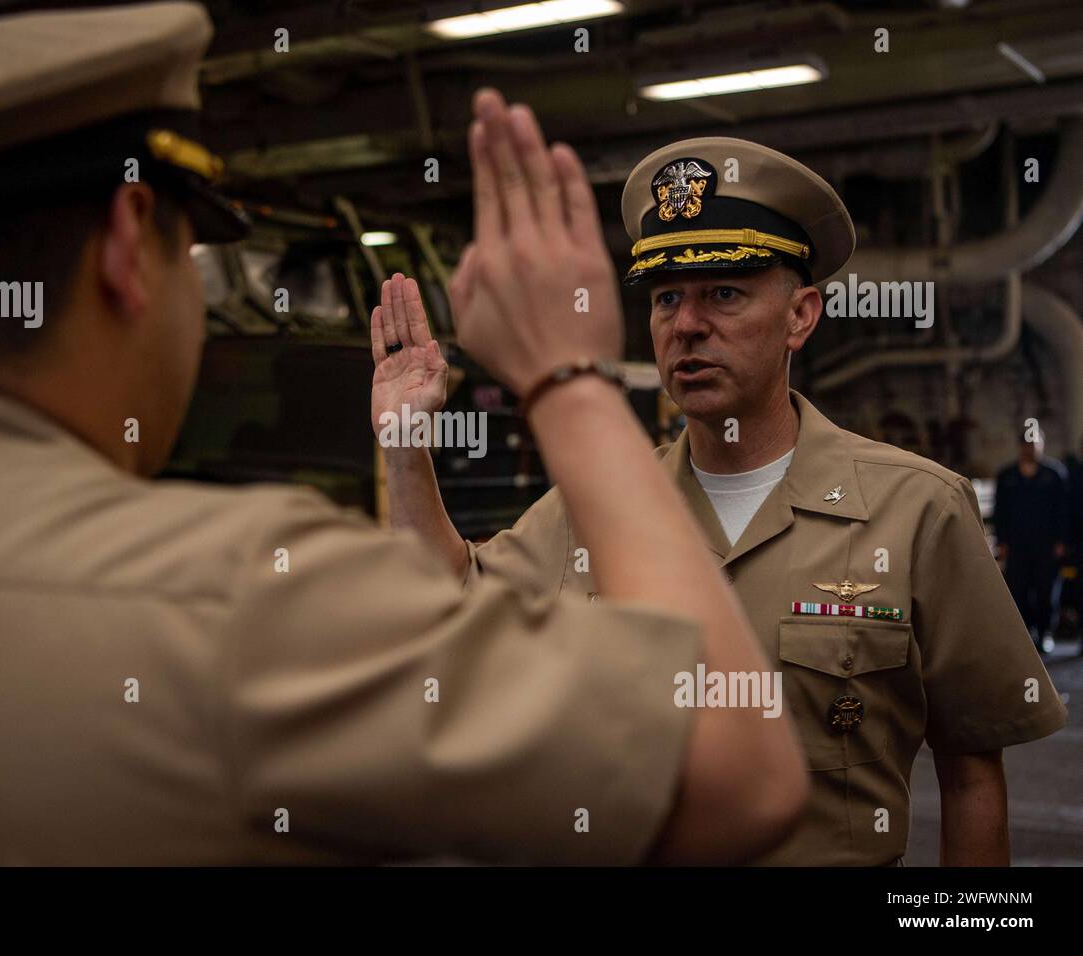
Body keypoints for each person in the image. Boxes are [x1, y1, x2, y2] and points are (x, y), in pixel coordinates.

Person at [0, 3, 806, 864]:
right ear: (131, 244)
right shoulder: (242, 595)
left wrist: (406, 445)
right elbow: (738, 771)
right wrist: (569, 378)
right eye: (191, 249)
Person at [375, 137, 1067, 866]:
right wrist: (403, 441)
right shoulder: (598, 503)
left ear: (801, 315)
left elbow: (971, 773)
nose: (687, 324)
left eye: (724, 292)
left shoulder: (918, 509)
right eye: (667, 297)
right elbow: (447, 601)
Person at [994, 433, 1070, 651]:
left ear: (1042, 445)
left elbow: (1063, 510)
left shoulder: (1054, 474)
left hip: (1046, 545)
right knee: (1019, 590)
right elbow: (1000, 512)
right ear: (1020, 446)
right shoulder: (1007, 475)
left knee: (1046, 591)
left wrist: (1062, 541)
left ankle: (1045, 632)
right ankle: (1026, 633)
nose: (1030, 449)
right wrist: (1002, 542)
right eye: (1026, 445)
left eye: (1034, 444)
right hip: (1018, 545)